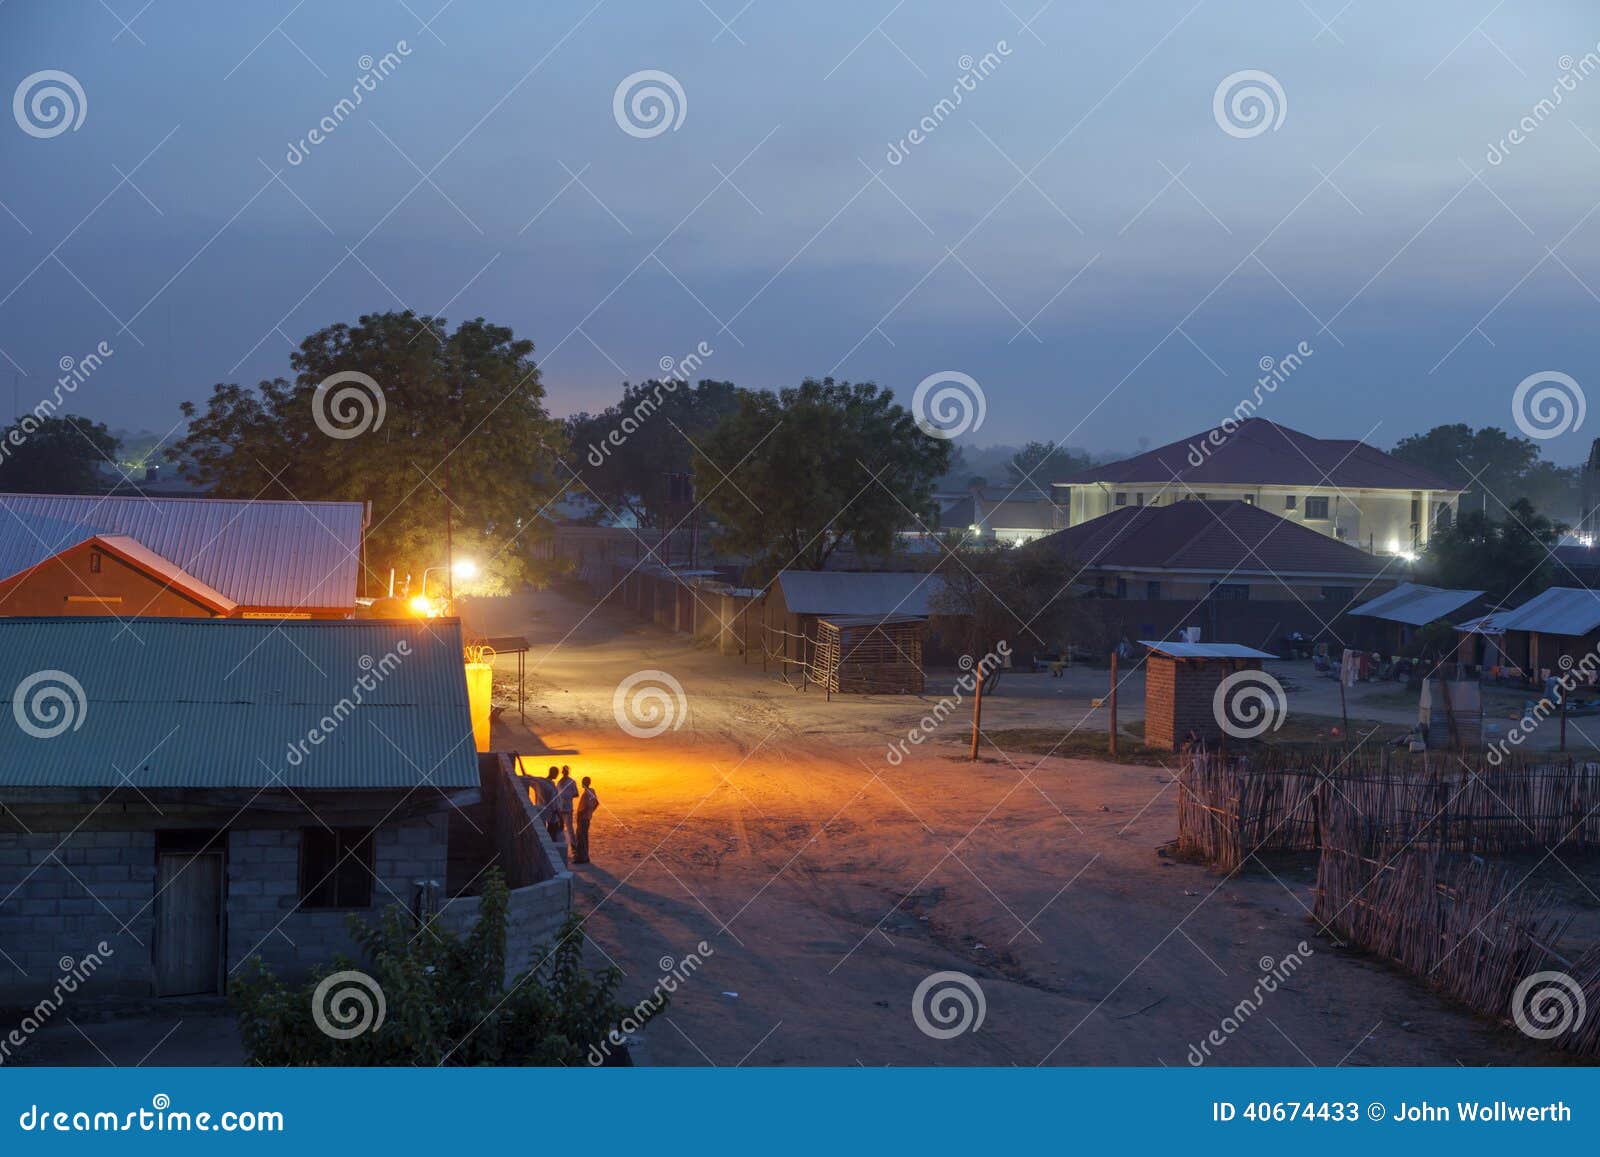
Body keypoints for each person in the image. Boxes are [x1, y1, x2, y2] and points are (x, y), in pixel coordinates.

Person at [572, 776, 600, 864]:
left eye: (583, 782)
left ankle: (581, 858)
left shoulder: (586, 794)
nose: (582, 783)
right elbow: (596, 803)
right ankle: (585, 857)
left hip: (583, 818)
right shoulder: (592, 791)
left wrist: (582, 814)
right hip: (587, 817)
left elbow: (586, 806)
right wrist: (591, 812)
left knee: (580, 838)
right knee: (584, 837)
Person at [556, 766, 579, 844]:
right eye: (563, 771)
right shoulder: (559, 782)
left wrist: (568, 796)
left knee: (570, 828)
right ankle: (561, 843)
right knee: (560, 827)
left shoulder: (571, 781)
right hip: (560, 808)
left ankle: (573, 845)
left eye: (565, 771)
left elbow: (576, 794)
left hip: (568, 808)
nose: (564, 773)